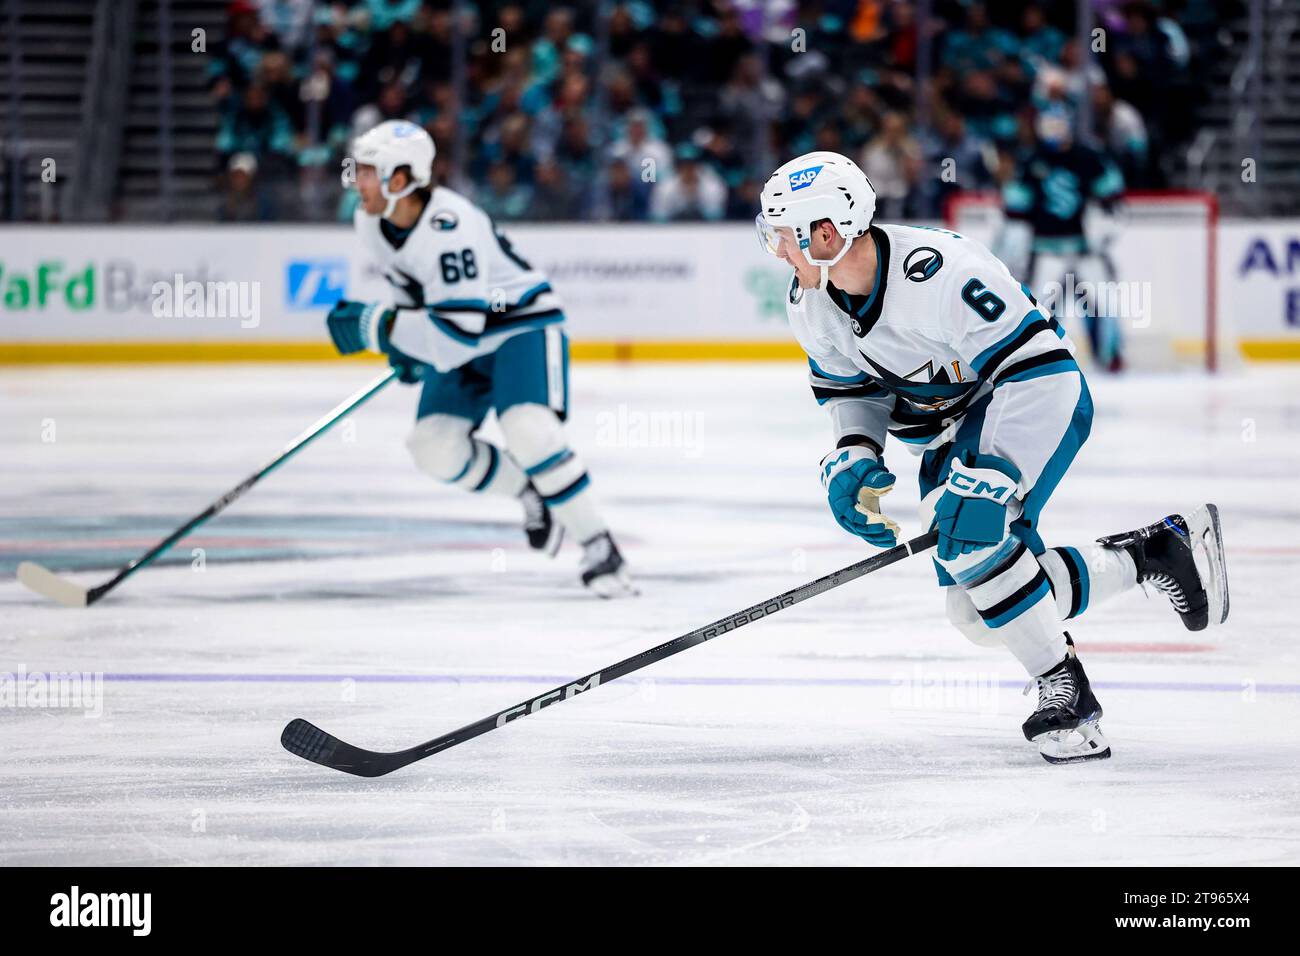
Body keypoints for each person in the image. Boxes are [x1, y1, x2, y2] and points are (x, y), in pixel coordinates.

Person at [754, 150, 1229, 762]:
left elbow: (1042, 372)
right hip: (945, 433)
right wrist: (855, 449)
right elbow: (853, 390)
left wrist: (993, 473)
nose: (777, 253)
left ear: (826, 233)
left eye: (783, 237)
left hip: (1026, 403)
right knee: (976, 613)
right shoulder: (810, 303)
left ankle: (1069, 697)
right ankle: (1153, 553)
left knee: (978, 545)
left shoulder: (940, 273)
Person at [324, 120, 634, 597]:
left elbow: (451, 339)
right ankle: (531, 494)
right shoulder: (370, 220)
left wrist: (380, 329)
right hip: (461, 331)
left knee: (528, 432)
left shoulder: (451, 227)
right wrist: (406, 341)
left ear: (401, 179)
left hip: (520, 326)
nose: (356, 181)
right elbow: (414, 297)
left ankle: (599, 546)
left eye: (368, 171)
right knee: (432, 446)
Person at [996, 108, 1128, 371]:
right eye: (1049, 126)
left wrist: (1103, 227)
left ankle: (1111, 355)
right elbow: (1014, 206)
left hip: (1085, 250)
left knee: (1104, 304)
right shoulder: (1031, 161)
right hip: (1046, 249)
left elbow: (1113, 193)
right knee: (1041, 308)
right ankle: (1042, 360)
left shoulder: (1088, 157)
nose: (1054, 132)